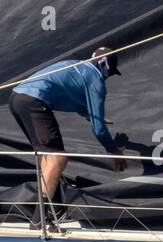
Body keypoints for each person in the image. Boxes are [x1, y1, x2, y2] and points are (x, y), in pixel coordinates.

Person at [8, 47, 125, 219]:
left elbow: (68, 95)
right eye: (110, 73)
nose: (108, 77)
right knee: (58, 158)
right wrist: (114, 151)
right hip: (35, 101)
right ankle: (39, 219)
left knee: (46, 156)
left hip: (17, 98)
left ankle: (53, 212)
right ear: (105, 67)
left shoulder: (74, 65)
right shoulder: (96, 80)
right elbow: (99, 129)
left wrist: (89, 115)